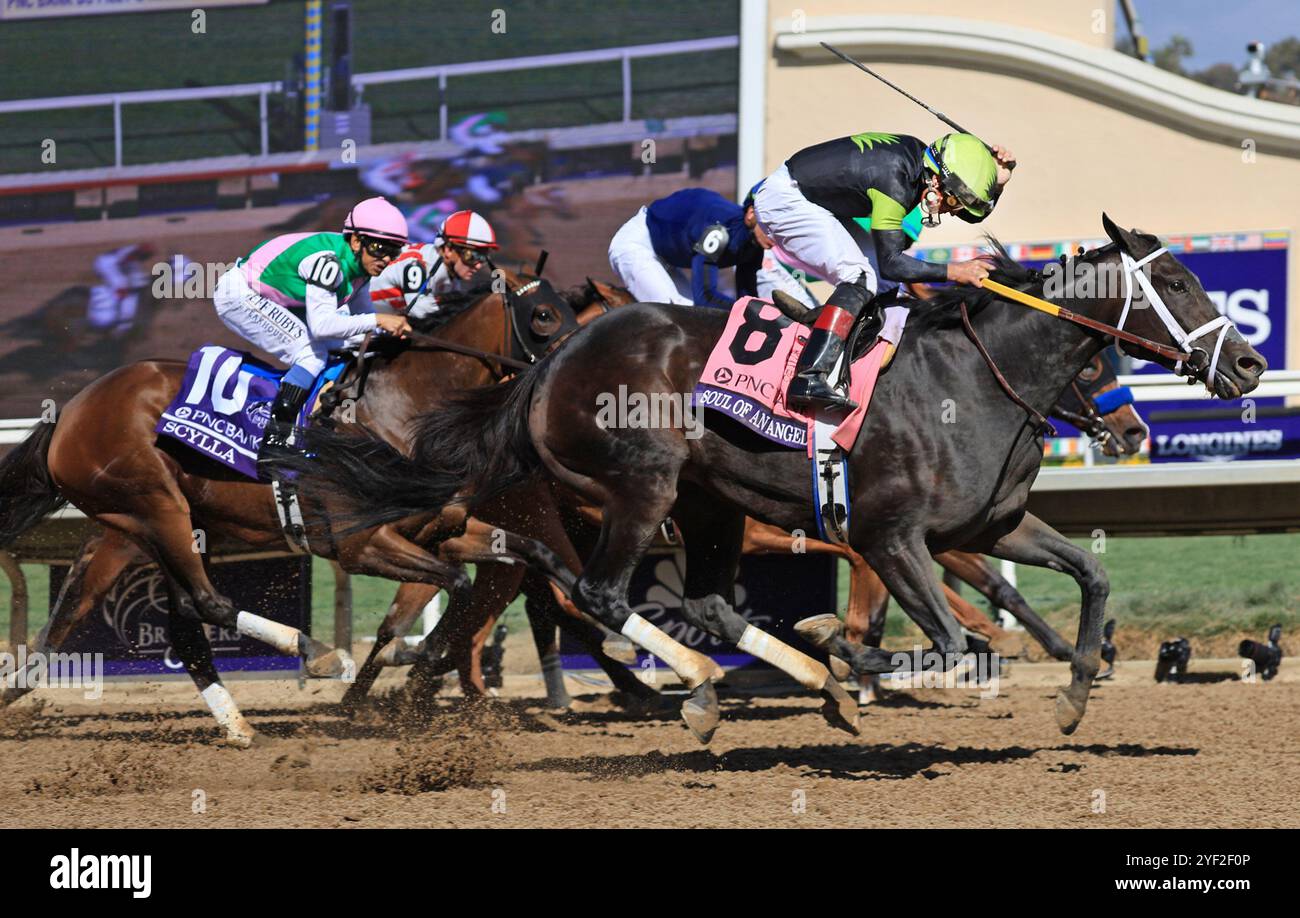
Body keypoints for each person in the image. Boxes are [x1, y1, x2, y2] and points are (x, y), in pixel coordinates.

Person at [753, 131, 1016, 410]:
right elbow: (892, 263)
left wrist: (998, 183)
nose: (953, 212)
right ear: (937, 180)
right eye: (952, 202)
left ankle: (861, 367)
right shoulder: (895, 180)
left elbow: (969, 211)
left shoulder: (923, 165)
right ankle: (809, 376)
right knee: (862, 276)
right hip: (785, 201)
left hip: (812, 201)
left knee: (886, 286)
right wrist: (954, 271)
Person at [212, 196, 413, 463]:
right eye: (379, 248)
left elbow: (362, 323)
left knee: (348, 344)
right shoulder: (329, 263)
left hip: (279, 298)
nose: (386, 258)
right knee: (311, 353)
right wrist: (380, 321)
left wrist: (390, 333)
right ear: (356, 241)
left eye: (394, 251)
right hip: (239, 294)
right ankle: (275, 441)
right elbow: (323, 327)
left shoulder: (362, 268)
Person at [608, 187, 772, 309]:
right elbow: (705, 297)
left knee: (687, 311)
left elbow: (747, 300)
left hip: (664, 255)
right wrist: (746, 313)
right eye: (772, 223)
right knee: (675, 313)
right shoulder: (719, 230)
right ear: (751, 214)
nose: (780, 233)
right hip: (636, 243)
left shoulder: (754, 243)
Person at [368, 209, 498, 321]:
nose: (478, 265)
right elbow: (418, 311)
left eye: (483, 257)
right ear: (448, 249)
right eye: (472, 256)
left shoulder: (452, 277)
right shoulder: (417, 264)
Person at [87, 242, 154, 337]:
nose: (145, 259)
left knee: (134, 283)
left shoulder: (134, 254)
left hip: (112, 263)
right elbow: (124, 265)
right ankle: (116, 318)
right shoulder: (130, 253)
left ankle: (123, 318)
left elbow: (134, 271)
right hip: (105, 264)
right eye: (145, 256)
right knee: (122, 285)